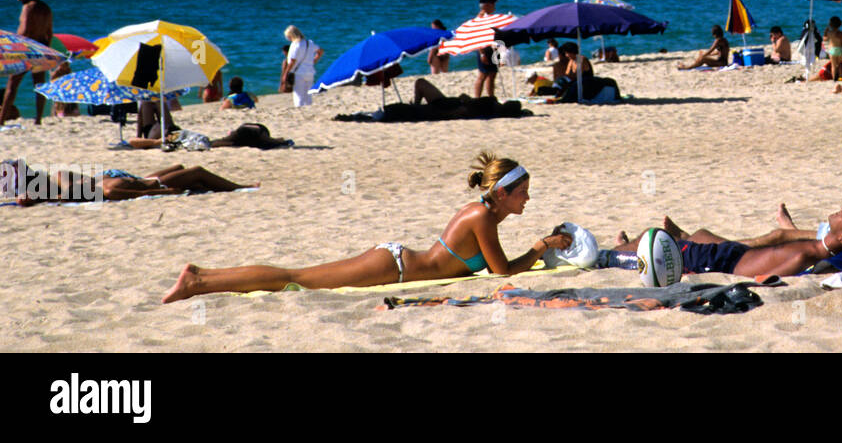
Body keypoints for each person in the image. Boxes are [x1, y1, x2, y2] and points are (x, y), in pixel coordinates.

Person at [160, 152, 570, 303]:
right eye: (522, 193)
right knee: (295, 279)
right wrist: (540, 246)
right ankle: (198, 280)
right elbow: (500, 272)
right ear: (500, 193)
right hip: (394, 267)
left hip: (396, 261)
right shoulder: (481, 216)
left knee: (297, 278)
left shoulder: (486, 214)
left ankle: (203, 278)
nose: (527, 200)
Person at [610, 205, 842, 279]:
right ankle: (612, 253)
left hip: (720, 262)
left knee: (653, 240)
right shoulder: (817, 245)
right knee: (683, 236)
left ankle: (605, 258)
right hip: (732, 254)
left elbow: (766, 278)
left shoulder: (808, 254)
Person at [4, 159, 257, 206]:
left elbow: (24, 198)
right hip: (144, 184)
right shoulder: (67, 187)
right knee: (196, 171)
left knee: (181, 168)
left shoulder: (60, 180)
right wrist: (168, 193)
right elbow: (114, 193)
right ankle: (240, 187)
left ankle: (233, 186)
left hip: (136, 180)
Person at [2, 0, 54, 124]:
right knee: (39, 86)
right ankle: (38, 119)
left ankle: (1, 120)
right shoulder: (46, 8)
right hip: (41, 49)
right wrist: (46, 51)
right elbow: (49, 33)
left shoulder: (28, 7)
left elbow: (24, 31)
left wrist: (12, 45)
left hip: (25, 51)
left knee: (12, 86)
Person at [283, 26, 322, 108]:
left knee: (298, 95)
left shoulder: (295, 45)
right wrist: (313, 61)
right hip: (310, 72)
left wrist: (285, 73)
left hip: (298, 73)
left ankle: (299, 110)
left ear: (291, 35)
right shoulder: (309, 43)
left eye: (288, 37)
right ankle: (309, 109)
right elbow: (320, 51)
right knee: (308, 94)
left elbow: (292, 61)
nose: (288, 39)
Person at [472, 0, 500, 99]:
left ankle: (491, 97)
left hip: (490, 48)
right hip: (484, 49)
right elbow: (477, 37)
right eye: (493, 4)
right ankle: (477, 98)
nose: (494, 6)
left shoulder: (488, 16)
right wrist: (482, 53)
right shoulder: (481, 17)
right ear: (487, 5)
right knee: (483, 75)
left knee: (492, 74)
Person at [823, 16, 842, 80]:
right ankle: (841, 77)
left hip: (832, 50)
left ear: (830, 24)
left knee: (833, 66)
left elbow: (825, 39)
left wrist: (825, 32)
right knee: (839, 65)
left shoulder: (829, 33)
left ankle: (834, 78)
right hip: (840, 49)